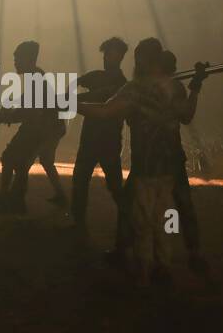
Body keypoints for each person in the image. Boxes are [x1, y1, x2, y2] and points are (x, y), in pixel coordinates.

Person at [79, 38, 179, 285]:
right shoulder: (176, 88)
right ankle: (164, 264)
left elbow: (104, 110)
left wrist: (71, 104)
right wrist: (195, 88)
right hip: (170, 166)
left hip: (147, 166)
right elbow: (187, 113)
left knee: (143, 219)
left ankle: (144, 271)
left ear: (142, 60)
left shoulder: (135, 88)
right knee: (166, 217)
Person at [0, 41, 62, 212]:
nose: (15, 62)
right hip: (42, 127)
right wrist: (7, 113)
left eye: (18, 59)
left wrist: (7, 116)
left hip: (43, 129)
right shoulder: (34, 76)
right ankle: (13, 199)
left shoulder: (36, 78)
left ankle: (11, 199)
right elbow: (25, 102)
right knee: (23, 161)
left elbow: (30, 112)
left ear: (29, 60)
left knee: (14, 159)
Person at [70, 37, 128, 229]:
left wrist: (71, 100)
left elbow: (101, 102)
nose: (106, 59)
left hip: (108, 141)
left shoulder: (123, 85)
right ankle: (77, 224)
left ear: (120, 57)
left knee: (115, 186)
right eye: (105, 55)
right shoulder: (97, 76)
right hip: (90, 139)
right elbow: (74, 84)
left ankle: (128, 224)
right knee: (80, 181)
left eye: (110, 55)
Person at [161, 49, 208, 273]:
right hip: (163, 154)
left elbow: (186, 116)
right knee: (180, 204)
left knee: (178, 203)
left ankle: (193, 250)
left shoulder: (170, 87)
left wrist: (195, 86)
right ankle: (193, 251)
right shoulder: (163, 86)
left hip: (164, 155)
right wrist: (195, 86)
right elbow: (187, 116)